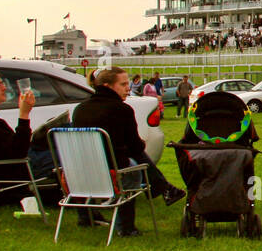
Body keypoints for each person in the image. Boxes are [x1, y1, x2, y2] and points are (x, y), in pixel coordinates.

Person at [0, 69, 104, 226]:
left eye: (3, 83)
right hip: (18, 168)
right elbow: (17, 152)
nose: (4, 88)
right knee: (71, 154)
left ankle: (87, 212)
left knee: (63, 133)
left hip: (19, 161)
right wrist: (24, 114)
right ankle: (89, 211)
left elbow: (11, 146)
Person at [71, 68, 186, 237]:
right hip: (113, 169)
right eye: (123, 84)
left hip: (82, 169)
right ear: (107, 86)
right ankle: (126, 226)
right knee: (134, 165)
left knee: (130, 158)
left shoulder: (80, 109)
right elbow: (136, 148)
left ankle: (86, 216)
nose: (128, 88)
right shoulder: (121, 110)